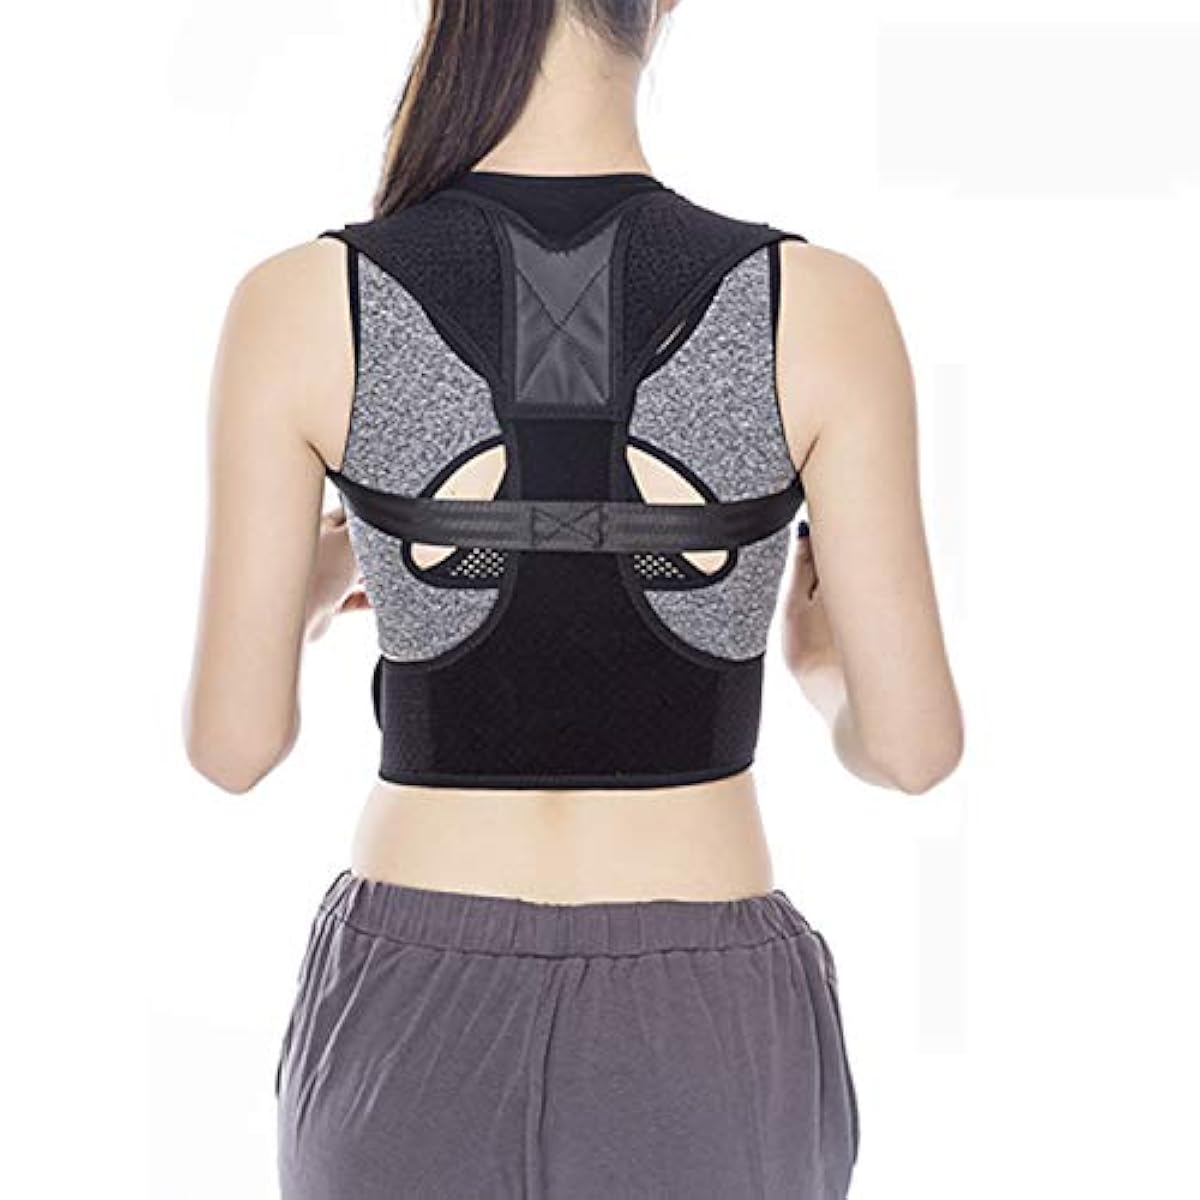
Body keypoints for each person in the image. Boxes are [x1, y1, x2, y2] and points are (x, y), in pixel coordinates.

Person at [182, 1, 963, 1196]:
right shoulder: (821, 305)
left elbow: (234, 750)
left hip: (410, 1012)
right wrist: (819, 675)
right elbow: (913, 750)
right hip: (705, 1024)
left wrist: (319, 584)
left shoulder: (299, 302)